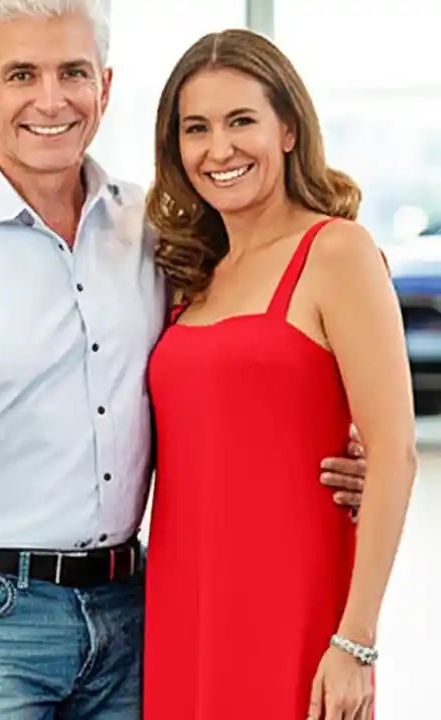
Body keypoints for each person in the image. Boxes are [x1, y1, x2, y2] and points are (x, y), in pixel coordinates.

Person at [0, 1, 369, 718]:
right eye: (22, 73)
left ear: (106, 87)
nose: (50, 99)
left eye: (73, 73)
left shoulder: (156, 232)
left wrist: (336, 442)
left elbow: (239, 358)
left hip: (134, 606)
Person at [142, 28, 416, 720]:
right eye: (196, 128)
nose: (219, 149)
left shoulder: (337, 252)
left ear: (288, 129)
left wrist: (356, 640)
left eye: (242, 121)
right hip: (184, 607)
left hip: (295, 610)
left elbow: (394, 453)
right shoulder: (192, 273)